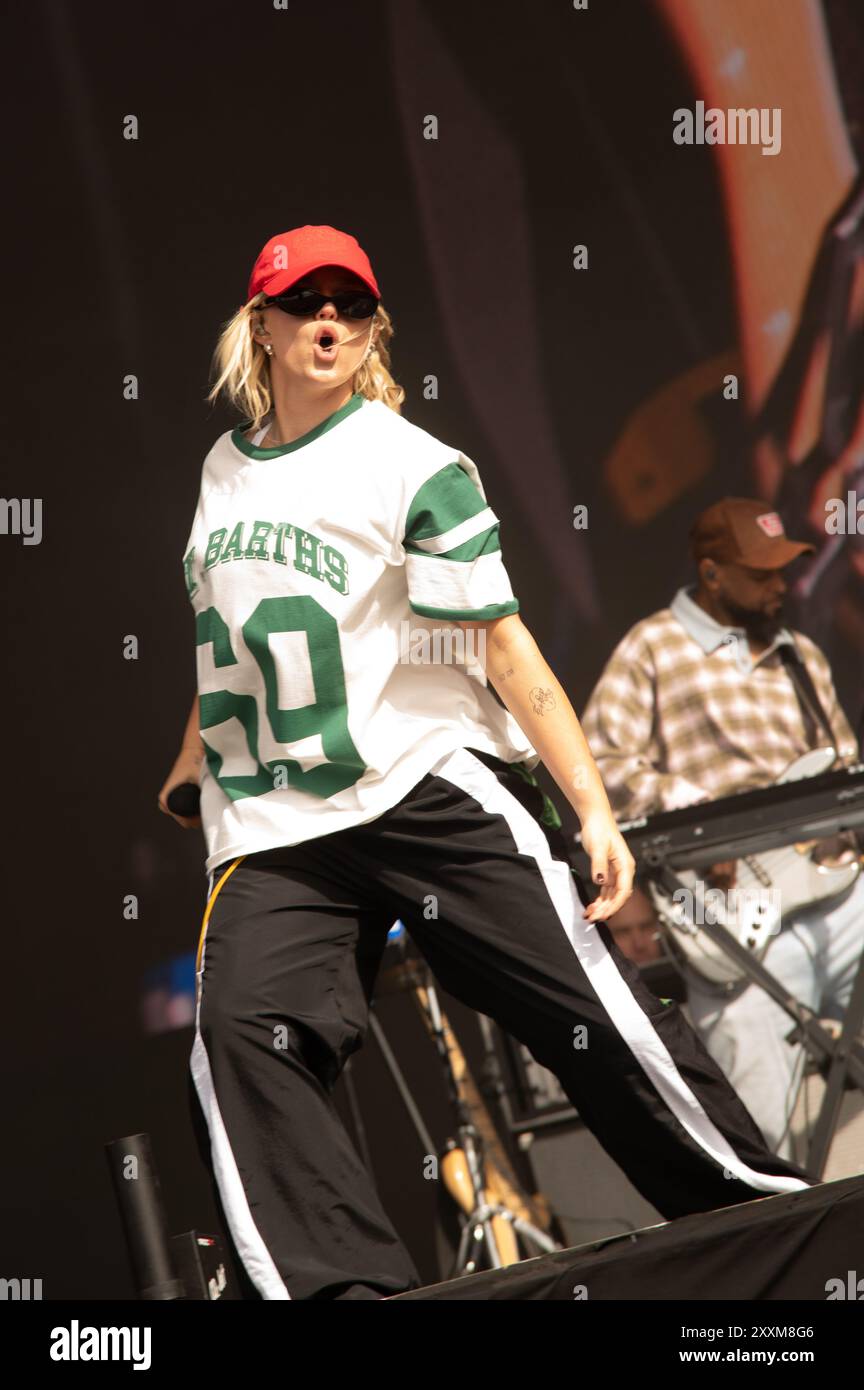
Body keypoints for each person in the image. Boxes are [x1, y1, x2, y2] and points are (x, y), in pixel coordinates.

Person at [159, 229, 815, 1300]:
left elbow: (506, 647)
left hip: (422, 782)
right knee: (240, 1031)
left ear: (369, 331)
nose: (328, 318)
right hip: (276, 826)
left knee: (582, 1003)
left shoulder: (412, 464)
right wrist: (190, 761)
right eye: (304, 302)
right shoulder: (221, 471)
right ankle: (339, 1290)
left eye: (351, 305)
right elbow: (233, 639)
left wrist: (594, 809)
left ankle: (755, 1208)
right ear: (262, 326)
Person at [580, 497, 864, 1162]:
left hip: (836, 896)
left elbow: (842, 772)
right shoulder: (653, 646)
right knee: (764, 1142)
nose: (780, 585)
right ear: (711, 575)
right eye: (760, 573)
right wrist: (700, 817)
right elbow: (596, 761)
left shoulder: (803, 656)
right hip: (735, 919)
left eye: (783, 570)